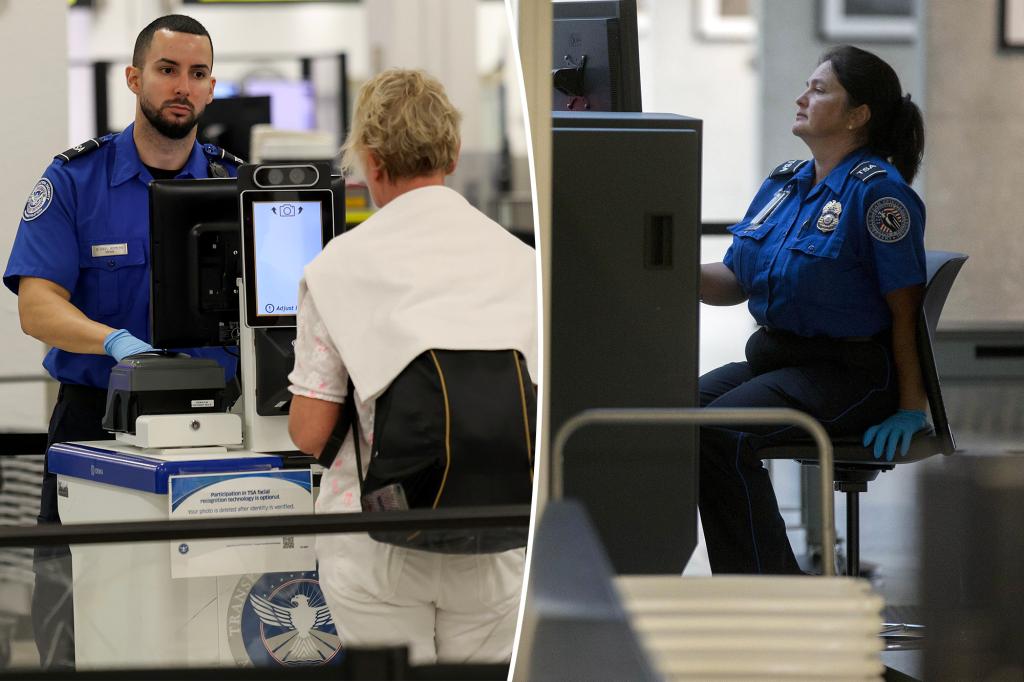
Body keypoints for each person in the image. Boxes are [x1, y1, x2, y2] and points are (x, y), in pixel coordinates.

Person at [3, 15, 240, 668]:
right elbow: (36, 305)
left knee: (205, 604)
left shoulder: (235, 186)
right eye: (167, 70)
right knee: (69, 599)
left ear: (212, 88)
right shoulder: (75, 181)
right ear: (135, 78)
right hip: (95, 417)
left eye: (196, 74)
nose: (181, 87)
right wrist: (113, 342)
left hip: (214, 425)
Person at [287, 69, 537, 664]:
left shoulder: (338, 266)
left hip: (378, 543)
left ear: (371, 162)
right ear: (451, 153)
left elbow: (310, 431)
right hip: (498, 539)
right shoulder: (523, 262)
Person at [698, 45, 927, 575]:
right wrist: (665, 268)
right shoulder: (786, 184)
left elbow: (905, 310)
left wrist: (912, 405)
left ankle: (773, 593)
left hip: (850, 372)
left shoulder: (880, 196)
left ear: (857, 115)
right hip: (780, 362)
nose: (802, 97)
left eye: (820, 89)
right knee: (668, 414)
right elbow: (735, 279)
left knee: (717, 431)